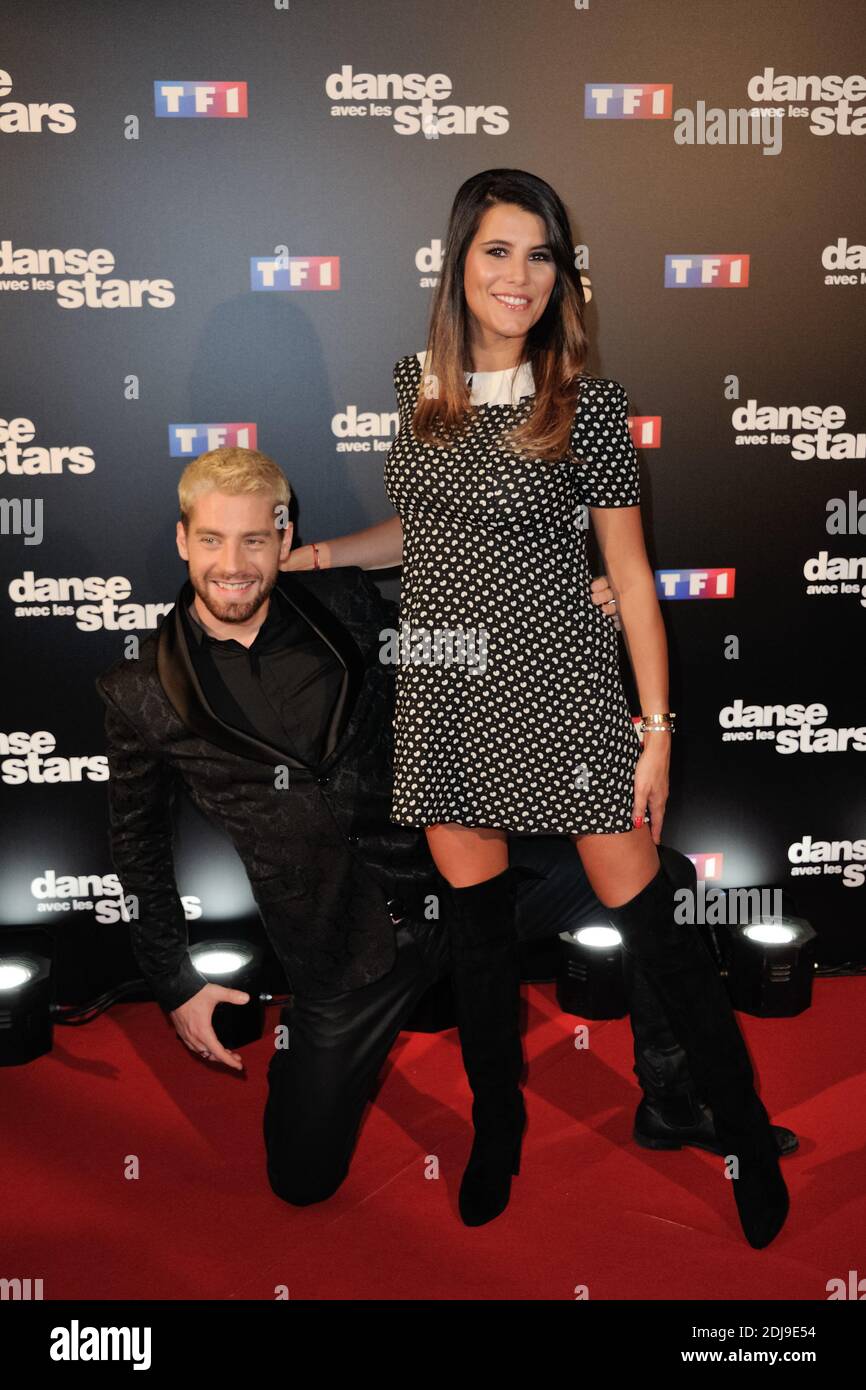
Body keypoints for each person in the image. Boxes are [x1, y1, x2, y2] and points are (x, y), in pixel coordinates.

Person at [295, 167, 792, 1247]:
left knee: (655, 931)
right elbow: (421, 524)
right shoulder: (413, 389)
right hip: (443, 699)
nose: (516, 276)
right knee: (477, 946)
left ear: (561, 277)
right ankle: (497, 1132)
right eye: (495, 250)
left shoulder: (589, 408)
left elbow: (634, 576)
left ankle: (742, 1131)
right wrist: (327, 551)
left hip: (562, 698)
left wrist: (652, 729)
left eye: (538, 255)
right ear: (457, 263)